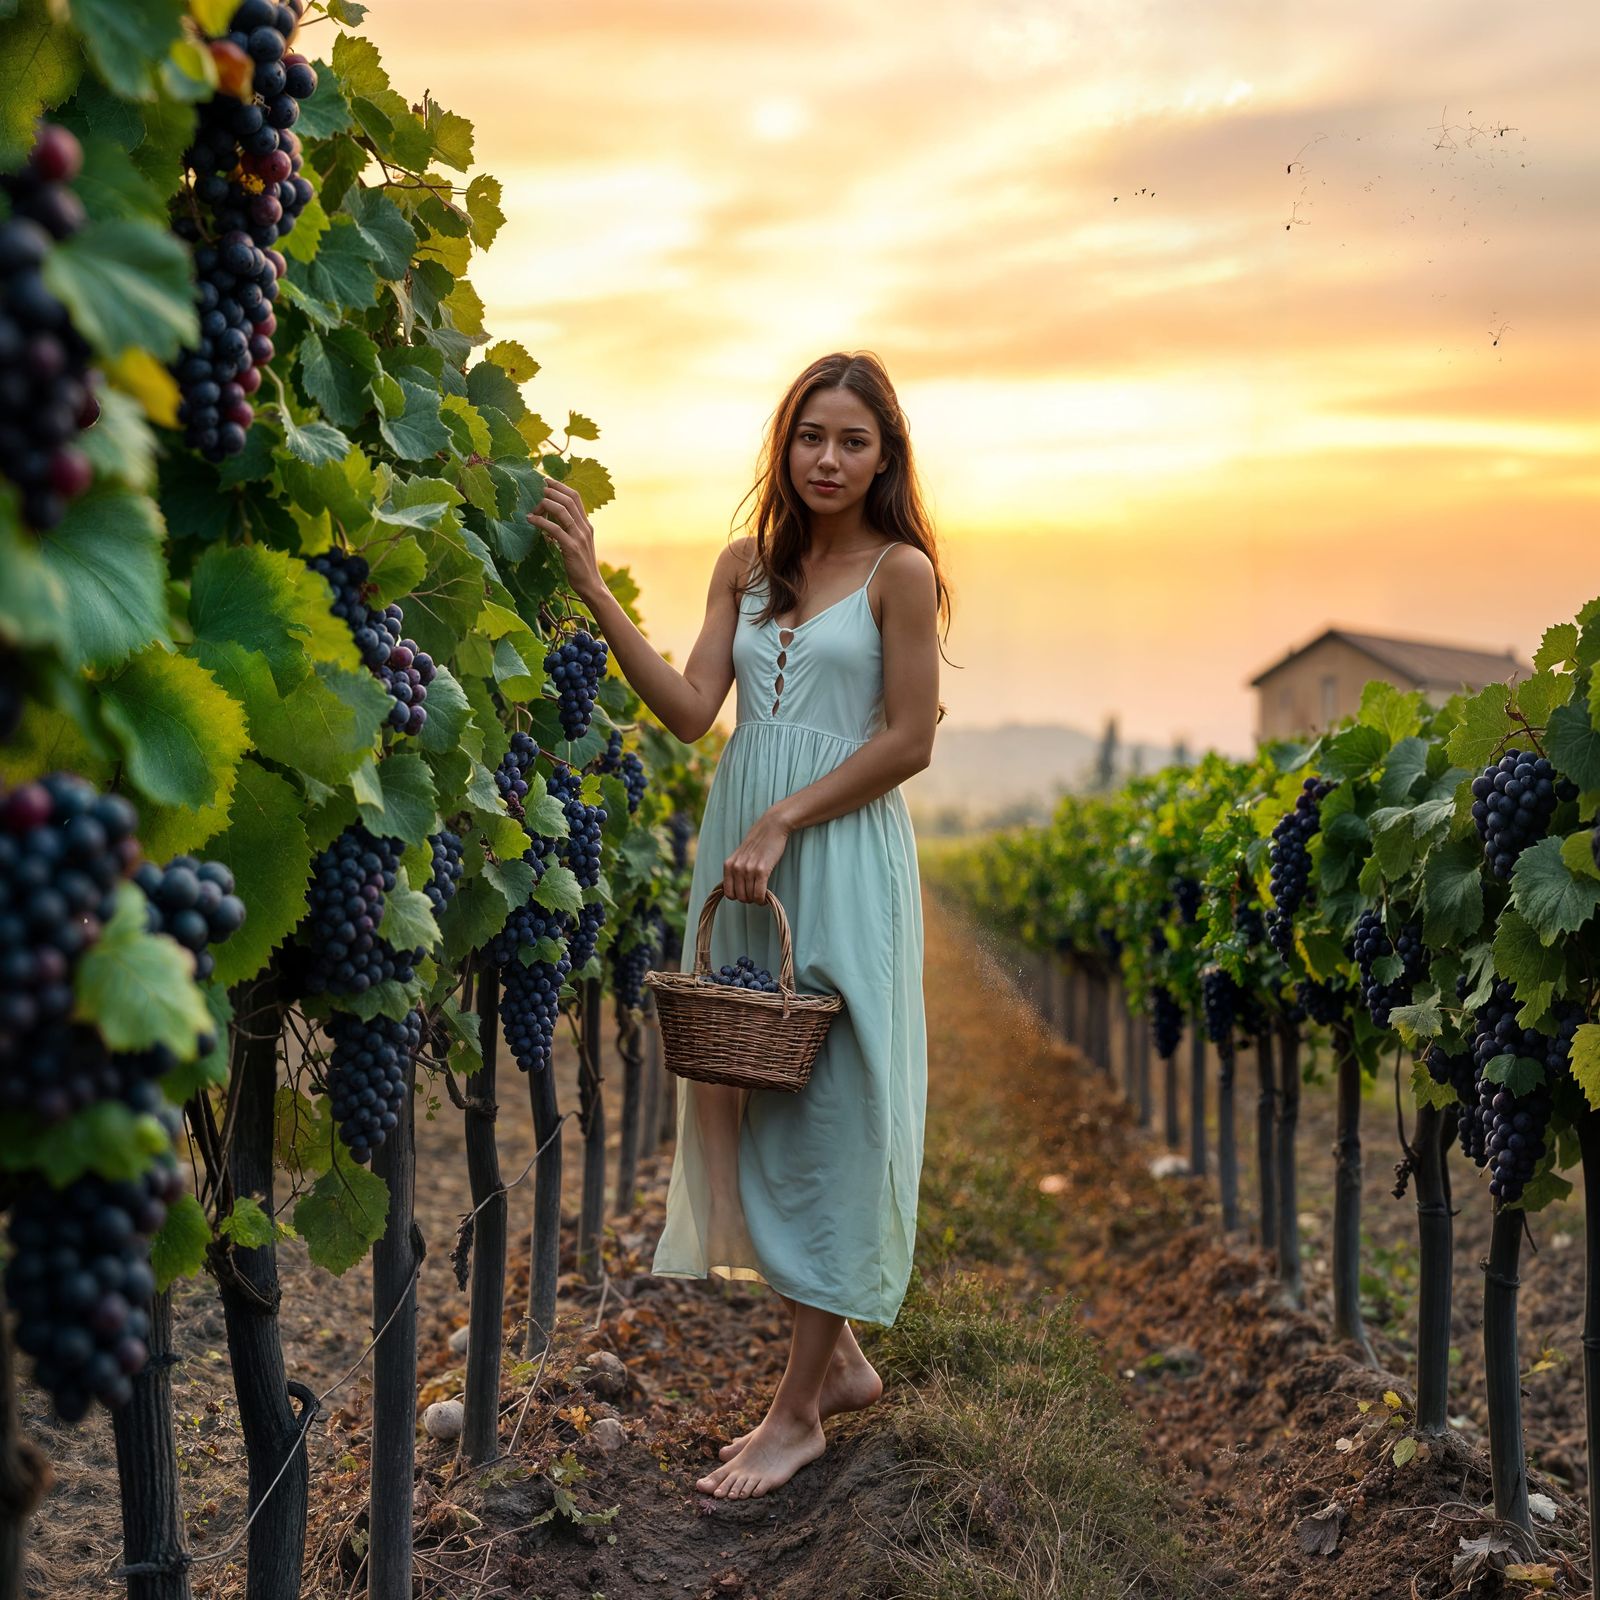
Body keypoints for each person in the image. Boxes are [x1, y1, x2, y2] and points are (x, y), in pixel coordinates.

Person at [528, 349, 949, 1501]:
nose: (827, 457)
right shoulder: (743, 568)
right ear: (785, 442)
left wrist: (784, 819)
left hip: (840, 849)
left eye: (852, 439)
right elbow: (686, 713)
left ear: (884, 454)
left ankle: (797, 1408)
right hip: (744, 856)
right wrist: (595, 589)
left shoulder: (899, 573)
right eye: (811, 434)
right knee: (745, 1099)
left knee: (836, 1104)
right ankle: (843, 1359)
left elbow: (909, 738)